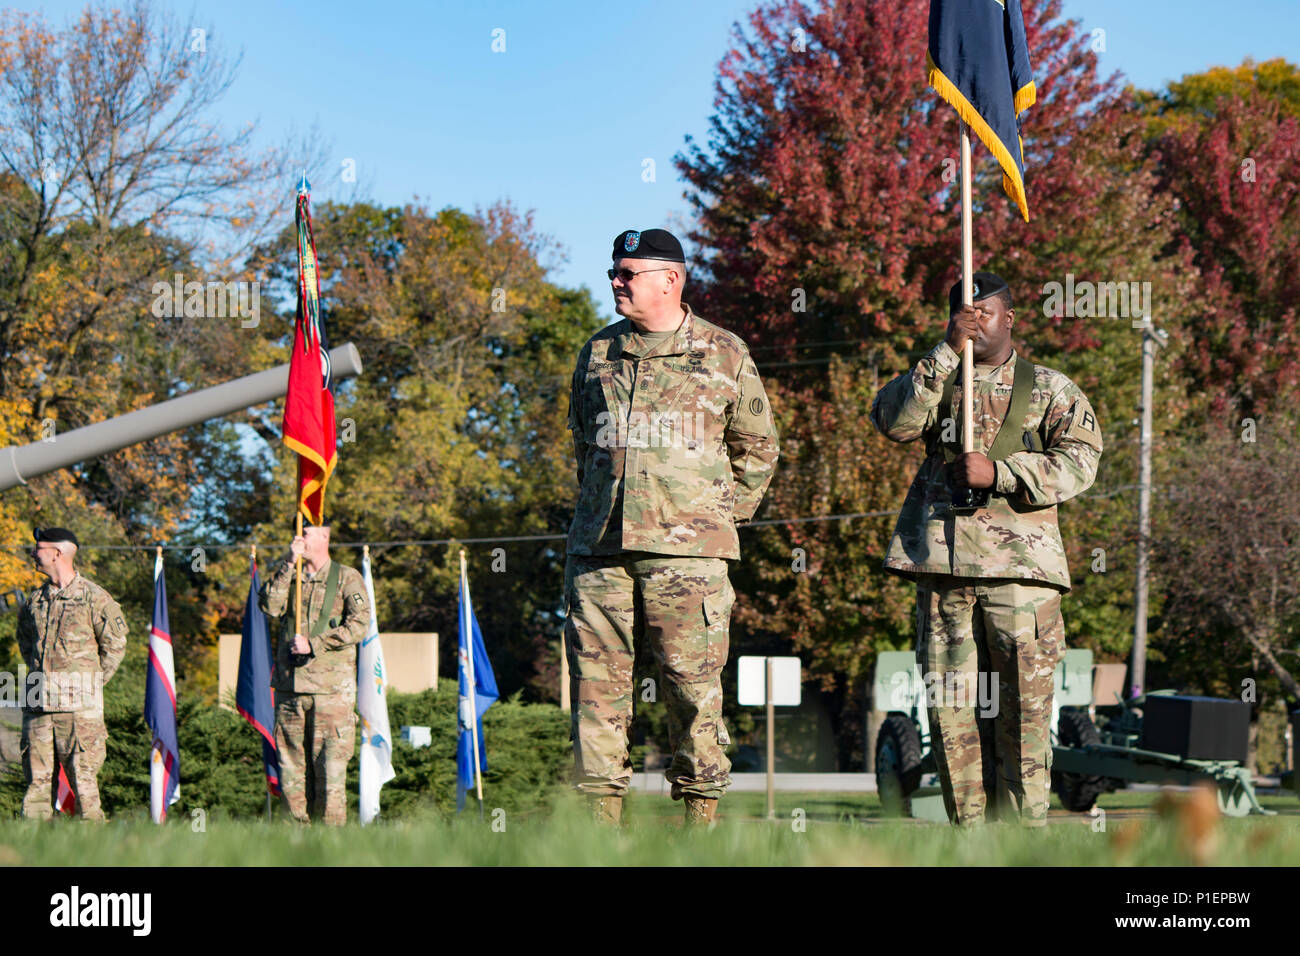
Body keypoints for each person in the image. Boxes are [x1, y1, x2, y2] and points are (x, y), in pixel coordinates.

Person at [869, 271, 1103, 827]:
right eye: (964, 314)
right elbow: (894, 422)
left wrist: (1001, 472)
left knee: (1023, 715)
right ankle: (970, 842)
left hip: (1021, 577)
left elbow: (1082, 462)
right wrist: (947, 349)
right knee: (952, 718)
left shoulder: (1050, 387)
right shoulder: (938, 379)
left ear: (1011, 320)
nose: (977, 323)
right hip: (945, 570)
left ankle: (1022, 841)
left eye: (987, 314)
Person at [564, 227, 780, 826]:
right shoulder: (597, 352)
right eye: (615, 270)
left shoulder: (724, 352)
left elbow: (758, 450)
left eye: (627, 272)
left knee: (692, 689)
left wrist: (713, 520)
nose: (615, 281)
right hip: (600, 551)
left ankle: (699, 823)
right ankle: (599, 829)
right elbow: (585, 443)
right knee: (596, 691)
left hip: (689, 560)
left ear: (670, 279)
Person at [260, 523, 370, 825]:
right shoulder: (290, 574)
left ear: (325, 537)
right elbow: (269, 607)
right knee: (291, 770)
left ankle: (330, 845)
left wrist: (316, 643)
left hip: (331, 693)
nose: (299, 538)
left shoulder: (347, 578)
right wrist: (287, 564)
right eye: (298, 533)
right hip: (290, 689)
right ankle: (295, 843)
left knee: (330, 772)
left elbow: (360, 623)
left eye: (306, 533)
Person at [16, 527, 128, 821]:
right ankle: (31, 855)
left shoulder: (95, 597)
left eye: (38, 547)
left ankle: (92, 857)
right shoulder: (33, 602)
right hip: (39, 708)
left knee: (85, 788)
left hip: (80, 711)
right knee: (36, 790)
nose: (33, 552)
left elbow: (115, 646)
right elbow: (26, 645)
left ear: (57, 553)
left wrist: (88, 686)